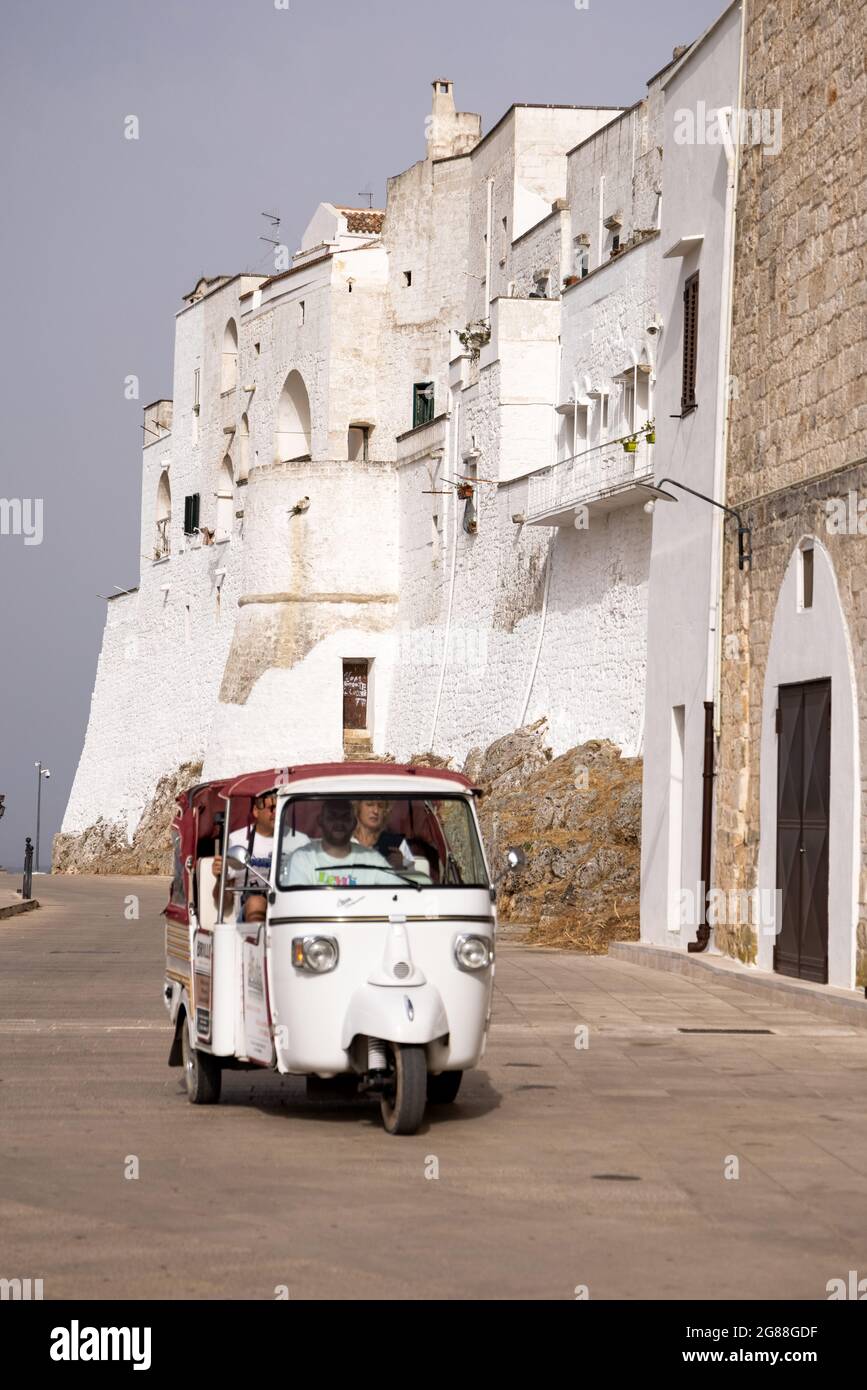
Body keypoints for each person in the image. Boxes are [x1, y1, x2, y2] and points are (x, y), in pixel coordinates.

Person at [213, 792, 308, 923]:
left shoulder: (301, 842)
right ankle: (258, 942)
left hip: (290, 910)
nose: (276, 813)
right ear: (256, 811)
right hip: (249, 911)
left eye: (281, 806)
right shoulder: (236, 840)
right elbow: (223, 903)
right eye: (271, 808)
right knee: (256, 902)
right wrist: (220, 879)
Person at [285, 798, 396, 887]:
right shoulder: (302, 859)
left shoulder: (373, 860)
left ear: (354, 823)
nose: (339, 822)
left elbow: (397, 895)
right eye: (332, 817)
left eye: (345, 817)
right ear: (320, 821)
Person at [351, 798, 413, 869]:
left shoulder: (397, 844)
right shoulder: (344, 842)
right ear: (358, 808)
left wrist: (400, 867)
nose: (376, 811)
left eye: (380, 806)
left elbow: (413, 877)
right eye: (370, 805)